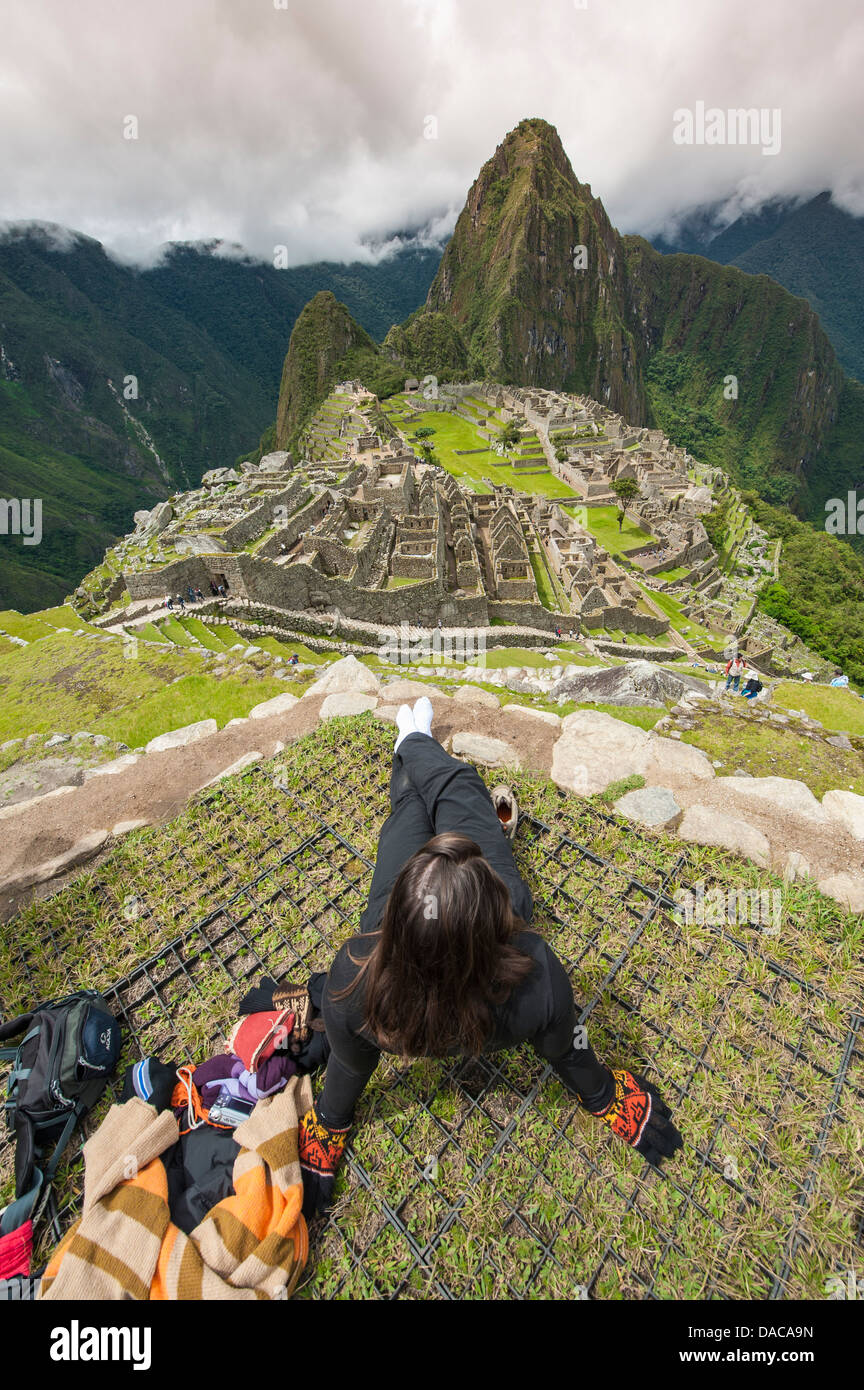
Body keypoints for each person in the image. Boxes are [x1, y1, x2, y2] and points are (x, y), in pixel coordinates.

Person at [298, 697, 683, 1216]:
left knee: (408, 810)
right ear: (497, 920)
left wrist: (330, 1122)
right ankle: (417, 742)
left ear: (399, 921)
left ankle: (410, 742)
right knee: (461, 788)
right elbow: (567, 1048)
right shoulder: (535, 974)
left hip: (427, 914)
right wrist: (605, 1097)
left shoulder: (355, 974)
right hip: (463, 909)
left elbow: (350, 1060)